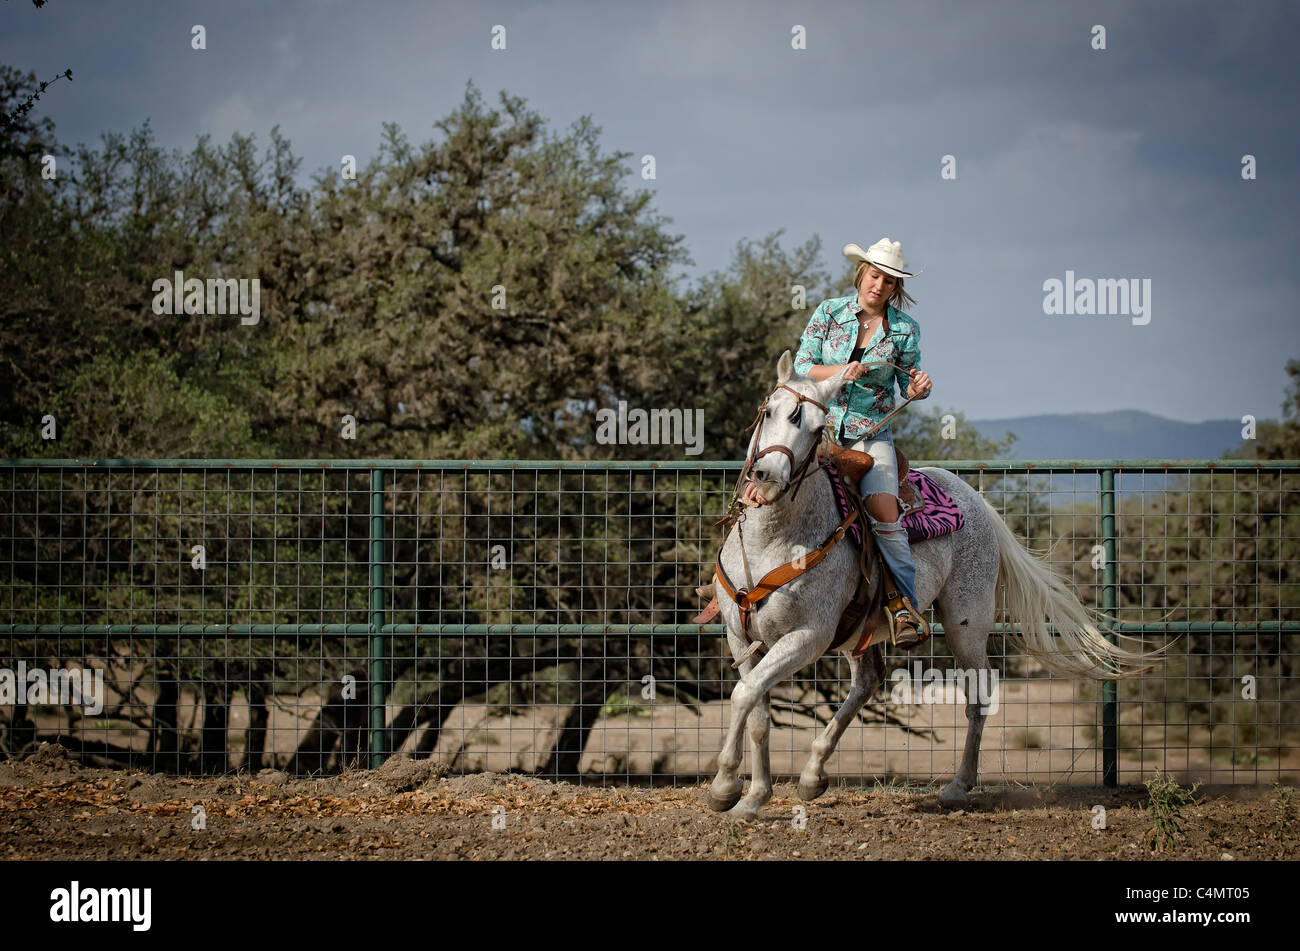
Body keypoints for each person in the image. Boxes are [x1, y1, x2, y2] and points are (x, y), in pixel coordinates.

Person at [746, 237, 933, 648]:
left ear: (895, 288)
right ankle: (731, 580)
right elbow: (802, 367)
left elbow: (907, 382)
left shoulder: (904, 330)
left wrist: (918, 387)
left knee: (884, 511)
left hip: (870, 436)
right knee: (762, 478)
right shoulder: (829, 312)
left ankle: (903, 604)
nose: (878, 286)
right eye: (874, 276)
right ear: (861, 274)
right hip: (818, 430)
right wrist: (843, 369)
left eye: (888, 281)